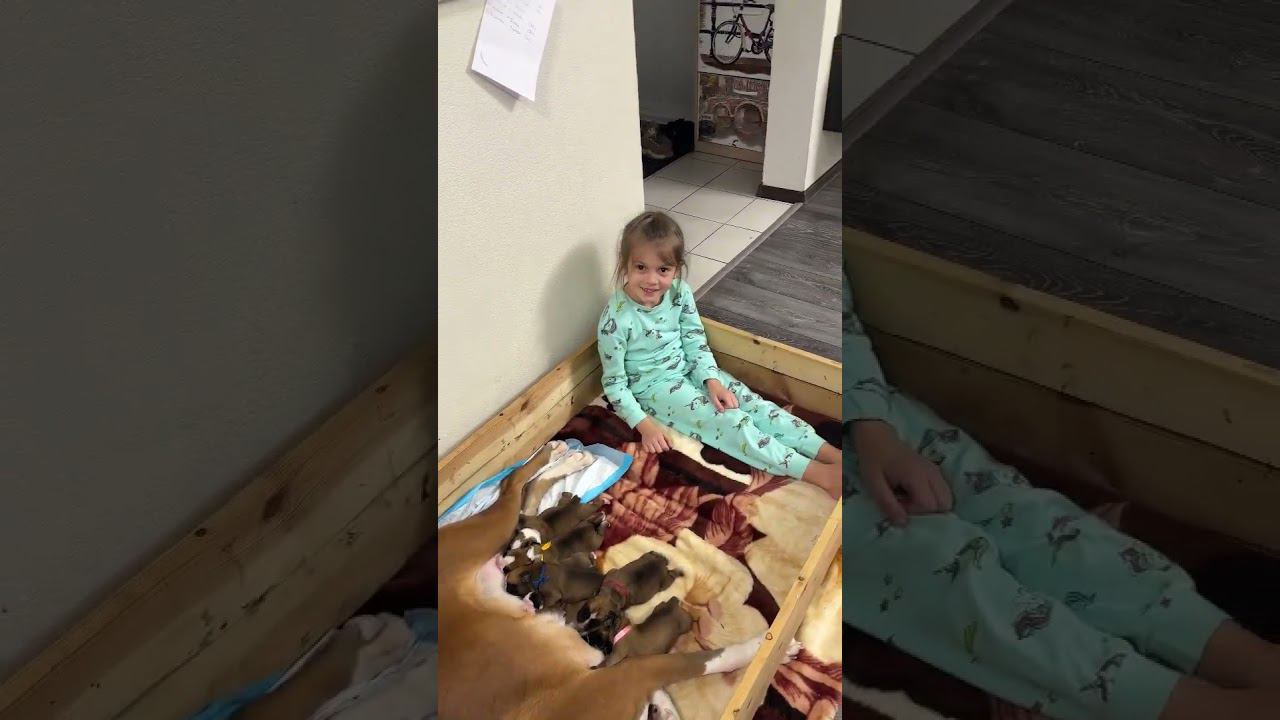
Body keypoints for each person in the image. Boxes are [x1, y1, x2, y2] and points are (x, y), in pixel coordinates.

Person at [842, 271, 1280, 719]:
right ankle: (1202, 710)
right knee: (944, 576)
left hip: (856, 411)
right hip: (812, 496)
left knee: (1036, 524)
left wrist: (871, 426)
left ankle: (1252, 660)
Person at [596, 210, 841, 499]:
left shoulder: (679, 293)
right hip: (655, 388)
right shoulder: (615, 320)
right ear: (625, 264)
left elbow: (694, 339)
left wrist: (711, 380)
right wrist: (644, 425)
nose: (652, 280)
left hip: (691, 369)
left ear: (676, 269)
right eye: (641, 267)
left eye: (663, 270)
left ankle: (830, 454)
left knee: (754, 404)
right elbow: (614, 384)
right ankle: (819, 475)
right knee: (732, 424)